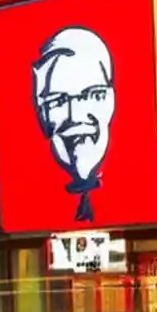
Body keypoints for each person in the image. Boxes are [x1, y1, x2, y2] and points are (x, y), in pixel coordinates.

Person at [32, 27, 117, 222]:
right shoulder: (32, 198)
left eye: (93, 94)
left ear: (112, 100)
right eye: (57, 101)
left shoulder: (138, 182)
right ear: (42, 113)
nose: (76, 116)